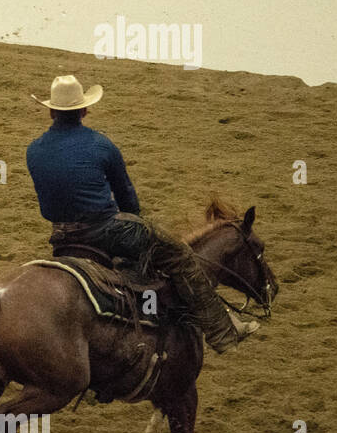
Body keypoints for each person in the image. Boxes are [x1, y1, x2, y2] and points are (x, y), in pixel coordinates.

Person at [25, 75, 257, 353]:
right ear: (85, 110)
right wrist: (133, 224)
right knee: (180, 256)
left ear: (51, 111)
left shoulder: (34, 150)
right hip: (104, 229)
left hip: (62, 237)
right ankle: (222, 331)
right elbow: (127, 199)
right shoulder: (101, 145)